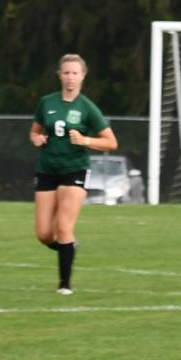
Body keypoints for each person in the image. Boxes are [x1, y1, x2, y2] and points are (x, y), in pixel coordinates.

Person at [30, 53, 116, 296]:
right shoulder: (47, 102)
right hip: (47, 170)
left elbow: (111, 142)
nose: (70, 77)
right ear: (59, 75)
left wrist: (86, 140)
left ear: (83, 76)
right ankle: (69, 249)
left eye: (75, 73)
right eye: (66, 72)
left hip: (74, 170)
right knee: (44, 234)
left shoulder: (87, 108)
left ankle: (64, 285)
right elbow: (34, 132)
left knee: (64, 226)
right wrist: (37, 139)